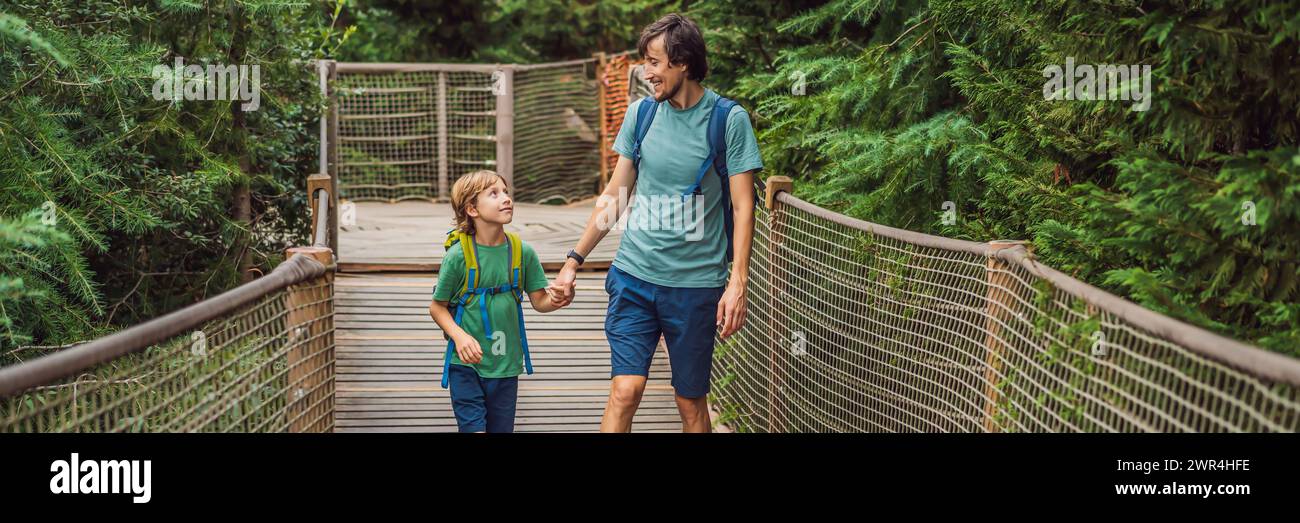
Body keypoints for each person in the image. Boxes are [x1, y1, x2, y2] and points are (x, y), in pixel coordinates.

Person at [548, 13, 763, 433]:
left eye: (654, 63)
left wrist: (738, 282)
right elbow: (615, 195)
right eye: (645, 63)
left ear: (683, 62)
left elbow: (743, 207)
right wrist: (574, 259)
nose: (647, 73)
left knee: (689, 403)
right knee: (625, 390)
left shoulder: (728, 120)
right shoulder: (641, 115)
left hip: (695, 287)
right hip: (634, 277)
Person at [428, 170, 565, 433]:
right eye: (494, 194)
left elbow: (540, 301)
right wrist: (460, 337)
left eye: (506, 192)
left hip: (505, 365)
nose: (506, 199)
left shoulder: (522, 252)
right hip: (465, 365)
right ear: (472, 209)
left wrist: (558, 299)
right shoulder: (457, 257)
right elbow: (437, 306)